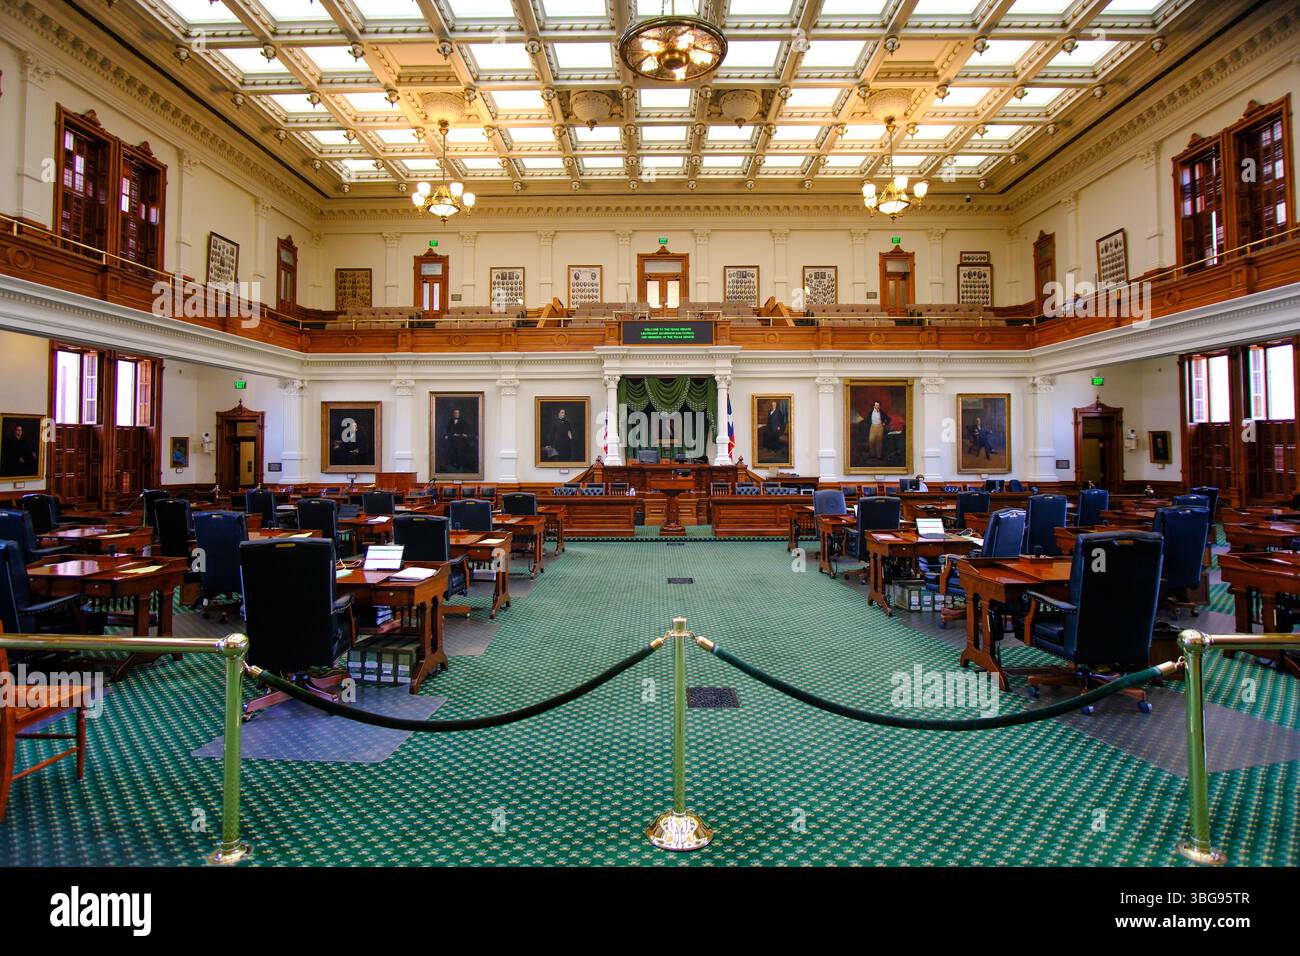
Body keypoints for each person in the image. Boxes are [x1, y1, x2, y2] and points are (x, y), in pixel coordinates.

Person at [442, 406, 473, 473]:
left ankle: (459, 465)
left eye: (457, 413)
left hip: (460, 439)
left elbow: (467, 429)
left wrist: (465, 434)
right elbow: (448, 429)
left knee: (460, 452)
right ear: (453, 414)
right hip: (452, 439)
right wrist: (447, 435)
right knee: (452, 451)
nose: (456, 414)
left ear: (459, 414)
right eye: (455, 413)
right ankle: (453, 464)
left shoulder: (462, 421)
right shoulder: (451, 421)